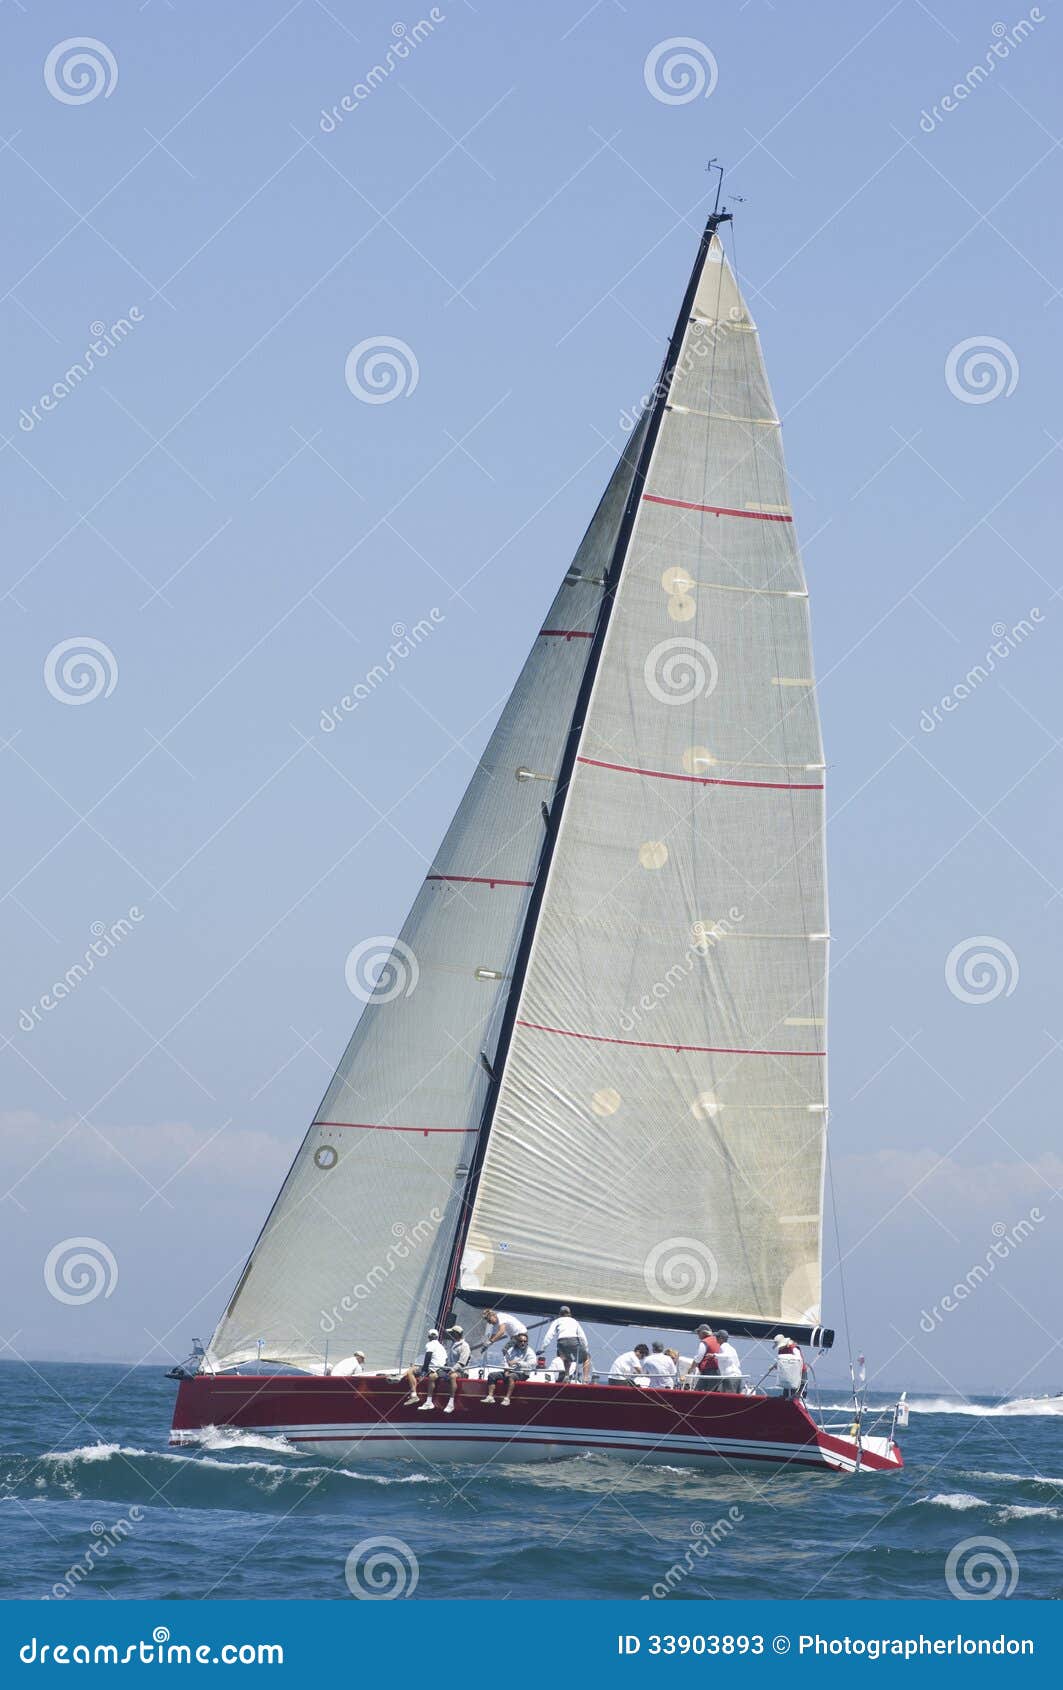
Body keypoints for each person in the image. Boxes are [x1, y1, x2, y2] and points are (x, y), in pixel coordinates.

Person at [483, 1330, 538, 1406]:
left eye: (525, 1341)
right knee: (492, 1375)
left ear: (527, 1342)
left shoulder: (530, 1352)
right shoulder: (511, 1349)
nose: (523, 1343)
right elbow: (505, 1360)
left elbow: (532, 1364)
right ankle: (490, 1397)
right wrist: (506, 1370)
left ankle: (507, 1399)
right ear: (517, 1342)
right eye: (521, 1341)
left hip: (522, 1373)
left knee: (511, 1377)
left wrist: (518, 1363)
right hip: (510, 1371)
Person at [428, 1325, 472, 1414]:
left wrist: (452, 1370)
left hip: (461, 1371)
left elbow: (462, 1363)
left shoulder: (465, 1346)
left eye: (452, 1333)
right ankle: (428, 1402)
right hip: (449, 1369)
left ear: (456, 1334)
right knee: (432, 1375)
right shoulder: (453, 1343)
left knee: (452, 1376)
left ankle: (451, 1404)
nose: (450, 1334)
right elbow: (448, 1360)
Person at [542, 1306, 591, 1382]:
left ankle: (567, 1376)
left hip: (561, 1342)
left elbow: (549, 1335)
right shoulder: (574, 1321)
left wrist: (543, 1348)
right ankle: (585, 1379)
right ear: (569, 1313)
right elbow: (582, 1336)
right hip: (573, 1340)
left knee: (566, 1357)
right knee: (587, 1357)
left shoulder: (557, 1321)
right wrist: (586, 1348)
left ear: (560, 1314)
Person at [401, 1328, 447, 1407]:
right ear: (437, 1337)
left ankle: (414, 1395)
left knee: (410, 1371)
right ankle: (402, 1376)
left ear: (429, 1337)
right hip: (440, 1369)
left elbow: (428, 1356)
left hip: (432, 1368)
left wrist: (424, 1371)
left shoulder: (430, 1344)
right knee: (415, 1367)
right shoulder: (441, 1347)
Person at [772, 1334, 806, 1400]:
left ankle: (798, 1398)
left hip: (799, 1371)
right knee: (786, 1390)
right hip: (787, 1373)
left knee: (799, 1391)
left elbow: (799, 1360)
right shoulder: (781, 1350)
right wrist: (774, 1366)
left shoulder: (794, 1348)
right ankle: (785, 1397)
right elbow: (780, 1361)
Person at [692, 1324, 722, 1390]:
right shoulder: (717, 1341)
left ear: (703, 1333)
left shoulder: (704, 1342)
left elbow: (698, 1358)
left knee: (698, 1392)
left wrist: (690, 1369)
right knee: (710, 1393)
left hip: (708, 1372)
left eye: (698, 1332)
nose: (697, 1334)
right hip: (718, 1372)